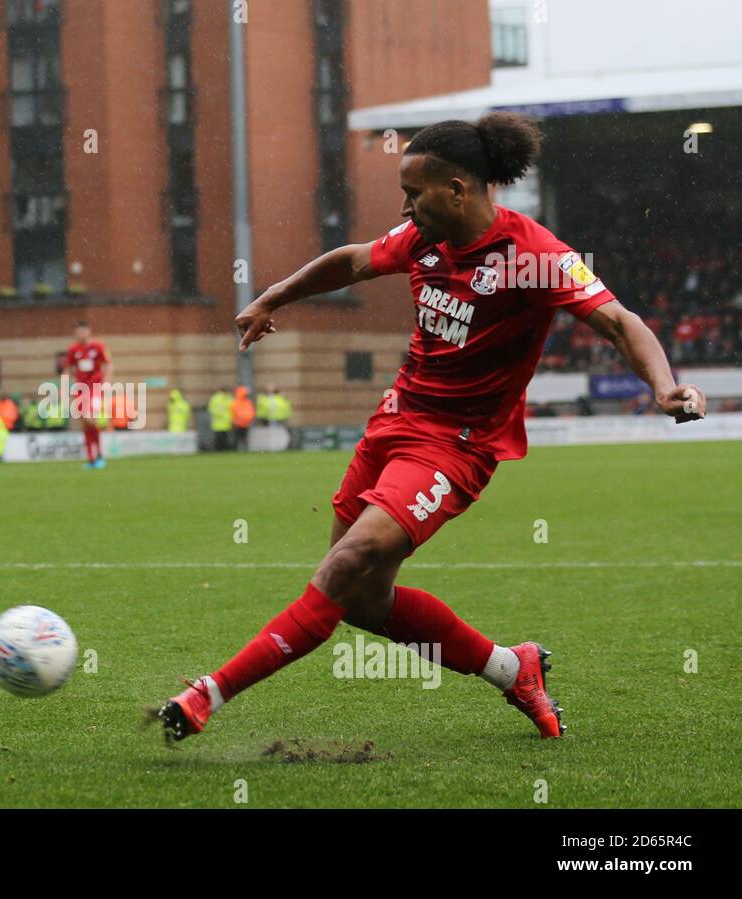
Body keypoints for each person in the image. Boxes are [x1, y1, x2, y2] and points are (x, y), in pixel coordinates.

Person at [157, 113, 706, 743]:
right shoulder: (424, 237)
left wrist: (665, 387)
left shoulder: (534, 257)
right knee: (363, 600)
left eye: (414, 192)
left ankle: (207, 694)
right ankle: (511, 667)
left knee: (347, 562)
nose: (405, 204)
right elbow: (353, 261)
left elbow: (619, 322)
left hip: (458, 446)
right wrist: (273, 296)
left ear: (458, 190)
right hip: (394, 425)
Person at [62, 321, 111, 469]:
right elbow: (67, 369)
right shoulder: (72, 350)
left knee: (90, 419)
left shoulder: (98, 347)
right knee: (85, 423)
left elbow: (108, 365)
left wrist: (106, 383)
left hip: (95, 388)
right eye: (78, 332)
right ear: (75, 333)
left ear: (89, 331)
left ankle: (100, 454)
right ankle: (92, 458)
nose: (81, 334)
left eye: (84, 331)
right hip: (80, 389)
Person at [230, 385, 254, 451]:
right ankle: (235, 449)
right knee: (237, 438)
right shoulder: (236, 402)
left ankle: (244, 449)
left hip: (245, 423)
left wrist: (248, 418)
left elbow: (251, 411)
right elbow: (235, 411)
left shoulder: (247, 402)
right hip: (237, 423)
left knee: (244, 438)